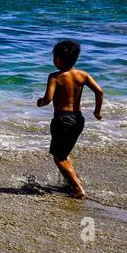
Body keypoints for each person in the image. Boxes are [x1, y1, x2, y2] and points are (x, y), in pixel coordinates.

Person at [36, 39, 104, 198]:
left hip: (62, 120)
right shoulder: (83, 75)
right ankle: (70, 183)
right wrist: (97, 112)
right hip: (78, 119)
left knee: (59, 158)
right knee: (65, 153)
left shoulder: (55, 77)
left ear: (58, 59)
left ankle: (77, 188)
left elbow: (48, 99)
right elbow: (99, 92)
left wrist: (40, 102)